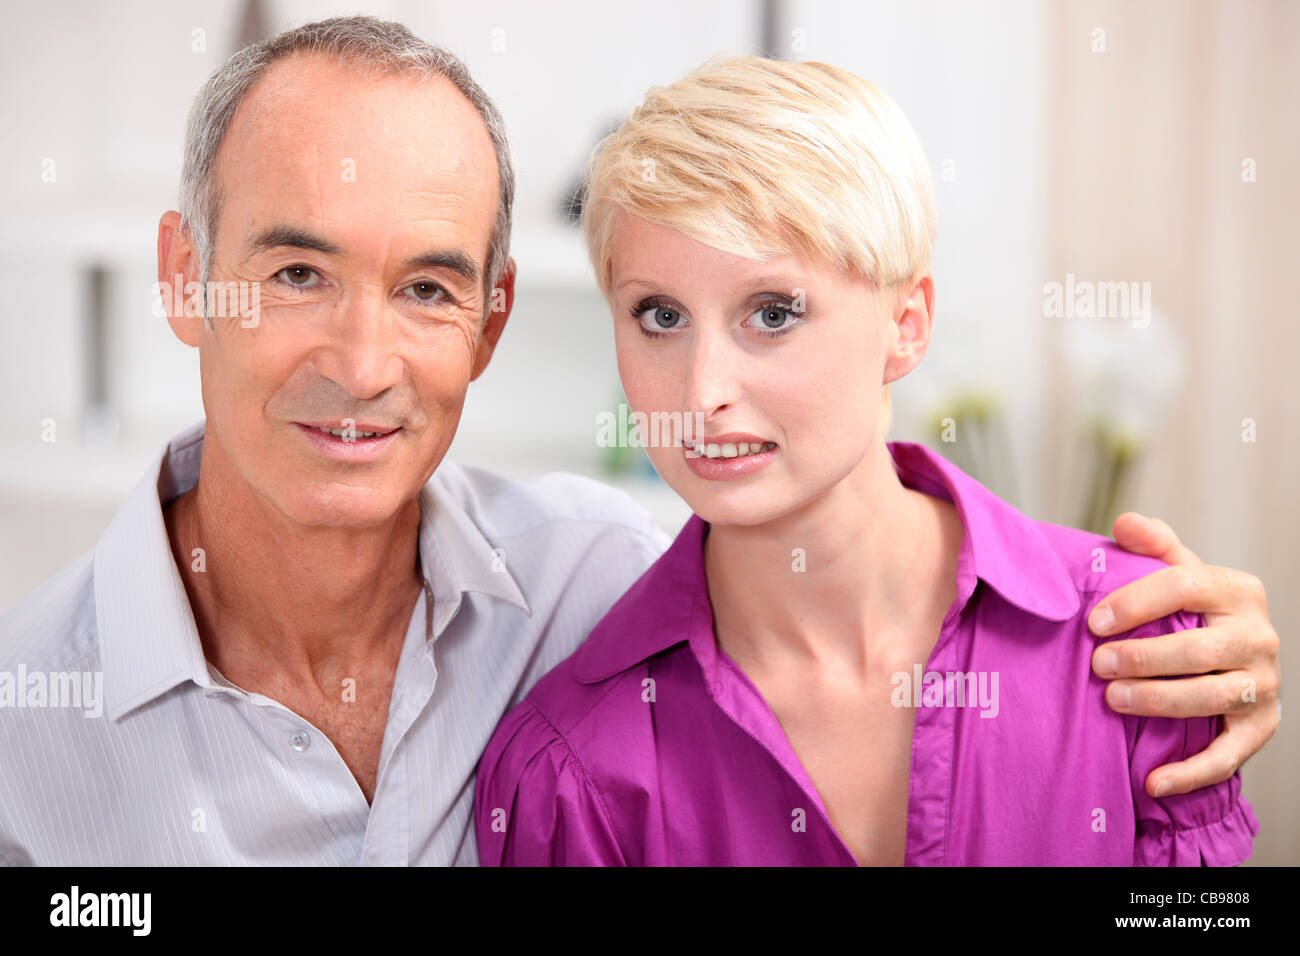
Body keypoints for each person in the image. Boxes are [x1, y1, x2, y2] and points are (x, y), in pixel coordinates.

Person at [0, 18, 1279, 866]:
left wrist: (1189, 639)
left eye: (429, 288)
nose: (363, 363)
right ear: (186, 276)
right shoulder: (25, 736)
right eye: (294, 273)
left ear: (492, 321)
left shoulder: (594, 568)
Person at [474, 56, 1267, 865]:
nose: (703, 391)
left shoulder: (1145, 648)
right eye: (660, 315)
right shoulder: (565, 770)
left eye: (773, 312)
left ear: (907, 325)